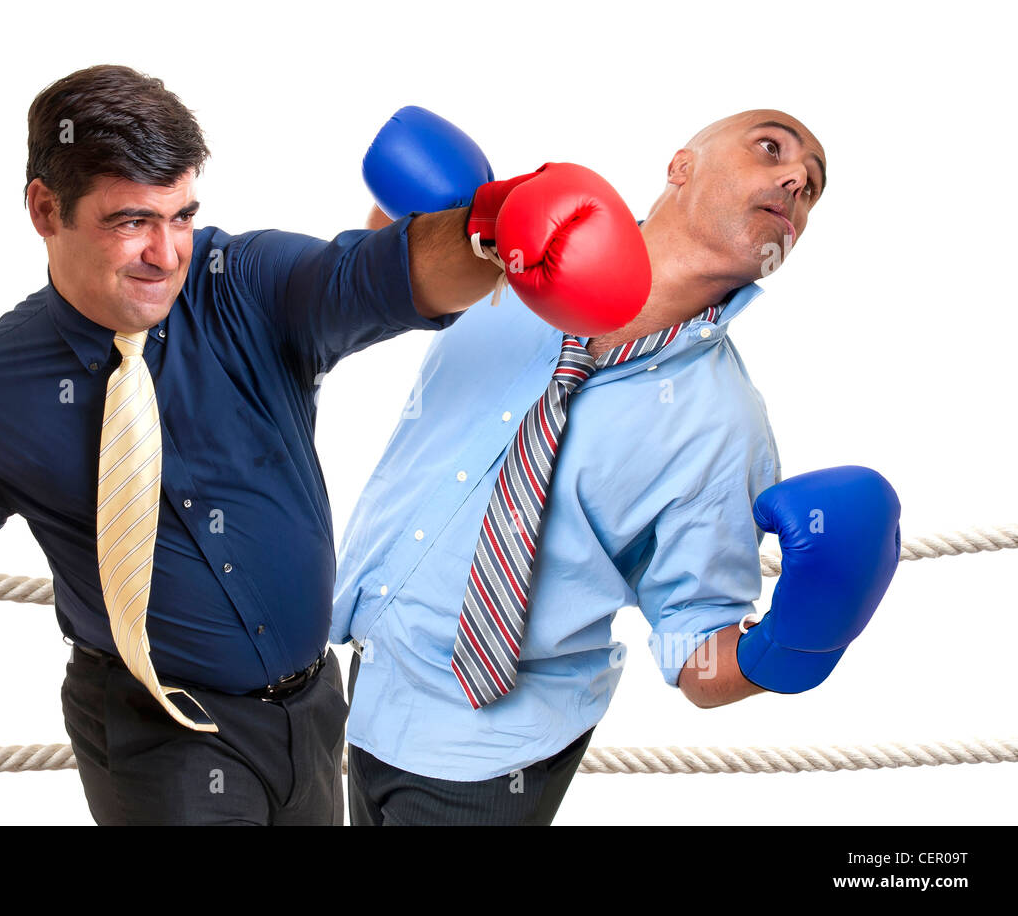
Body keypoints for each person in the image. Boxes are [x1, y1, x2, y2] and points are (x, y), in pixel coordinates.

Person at [0, 66, 650, 825]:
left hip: (313, 706)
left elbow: (378, 276)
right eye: (132, 221)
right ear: (46, 210)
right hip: (162, 733)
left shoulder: (244, 283)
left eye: (182, 215)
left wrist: (492, 226)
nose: (166, 252)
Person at [332, 108, 901, 825]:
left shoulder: (723, 426)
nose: (796, 179)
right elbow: (385, 256)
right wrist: (460, 210)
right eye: (771, 148)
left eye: (812, 188)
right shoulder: (523, 243)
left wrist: (793, 647)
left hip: (493, 750)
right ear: (680, 165)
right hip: (364, 688)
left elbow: (699, 650)